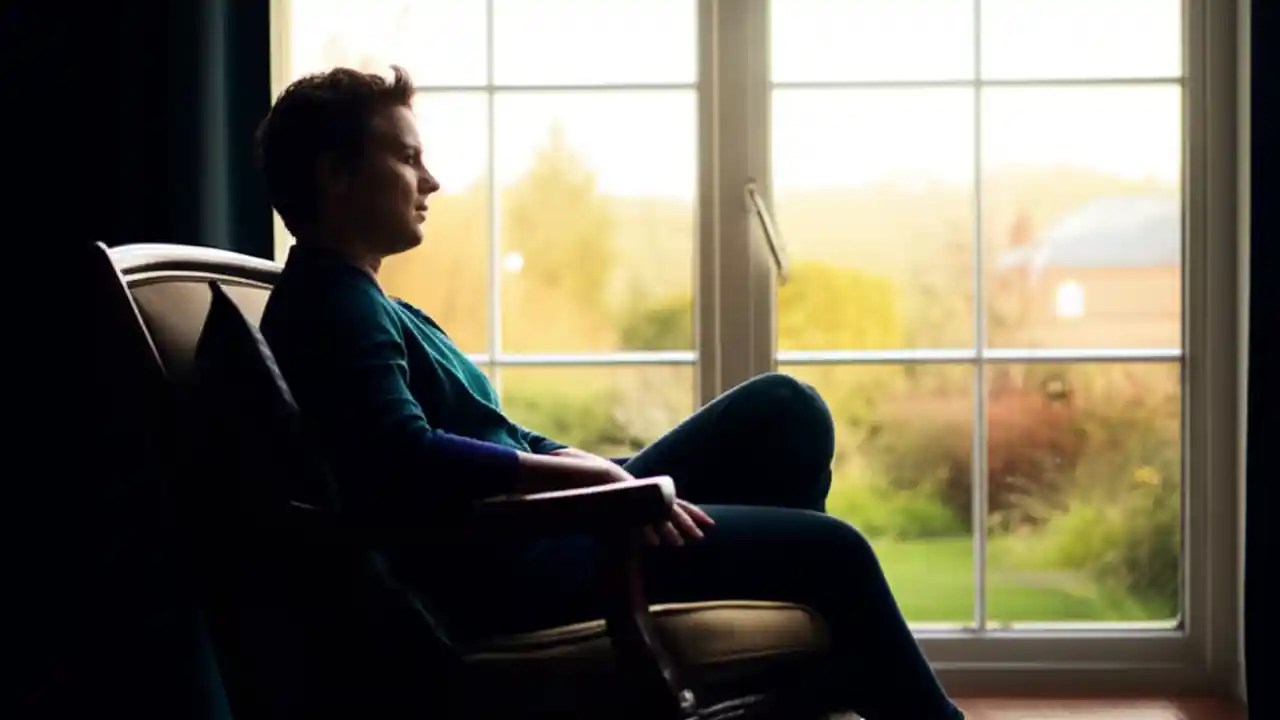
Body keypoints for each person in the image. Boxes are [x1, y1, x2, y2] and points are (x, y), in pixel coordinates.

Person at [255, 64, 964, 720]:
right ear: (335, 176)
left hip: (555, 522)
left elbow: (491, 431)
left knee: (785, 412)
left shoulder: (366, 299)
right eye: (407, 158)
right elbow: (406, 459)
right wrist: (594, 484)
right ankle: (842, 668)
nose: (431, 181)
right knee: (832, 551)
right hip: (519, 560)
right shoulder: (332, 305)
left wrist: (582, 464)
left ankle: (807, 662)